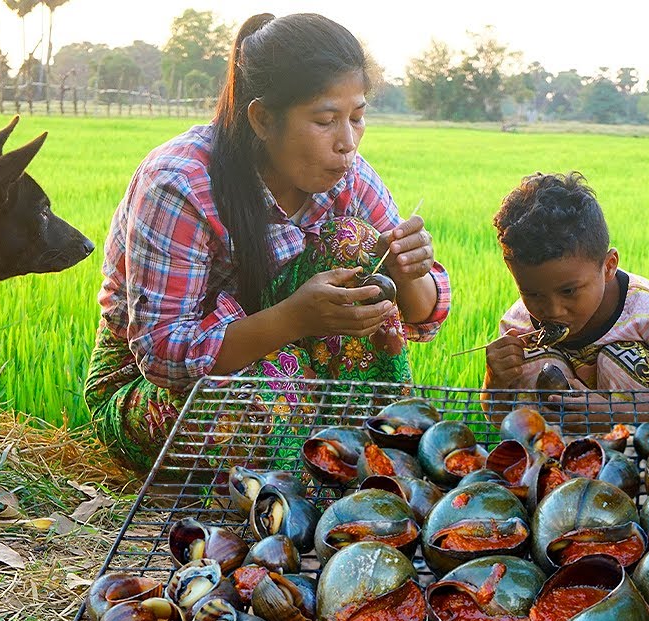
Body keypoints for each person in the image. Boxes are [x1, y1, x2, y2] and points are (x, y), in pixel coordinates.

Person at [85, 13, 450, 473]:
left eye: (357, 118)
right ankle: (302, 481)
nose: (347, 142)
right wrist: (294, 318)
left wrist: (409, 271)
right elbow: (163, 356)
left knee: (358, 244)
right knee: (274, 393)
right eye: (325, 120)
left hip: (288, 357)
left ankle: (371, 453)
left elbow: (422, 312)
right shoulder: (181, 184)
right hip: (151, 389)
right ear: (261, 118)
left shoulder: (348, 176)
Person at [483, 172, 649, 416]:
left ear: (609, 265)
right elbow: (498, 417)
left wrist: (613, 414)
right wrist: (495, 379)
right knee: (534, 359)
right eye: (532, 294)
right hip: (555, 442)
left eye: (569, 291)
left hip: (638, 433)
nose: (553, 310)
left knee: (620, 359)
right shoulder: (518, 328)